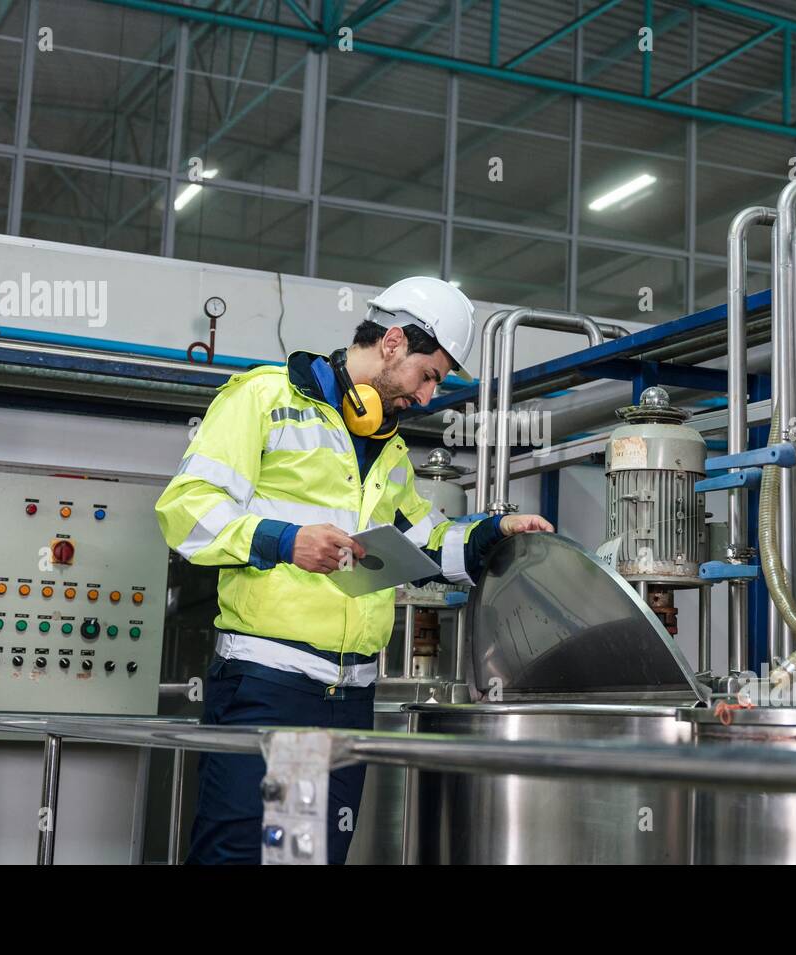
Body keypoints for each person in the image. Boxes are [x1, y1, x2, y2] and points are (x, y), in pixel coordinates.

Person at [155, 276, 553, 864]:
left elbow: (425, 543)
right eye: (430, 375)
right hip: (269, 685)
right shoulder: (266, 399)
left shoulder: (389, 452)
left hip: (348, 697)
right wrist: (286, 541)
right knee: (239, 858)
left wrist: (492, 532)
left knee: (304, 860)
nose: (425, 397)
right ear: (393, 341)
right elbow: (185, 510)